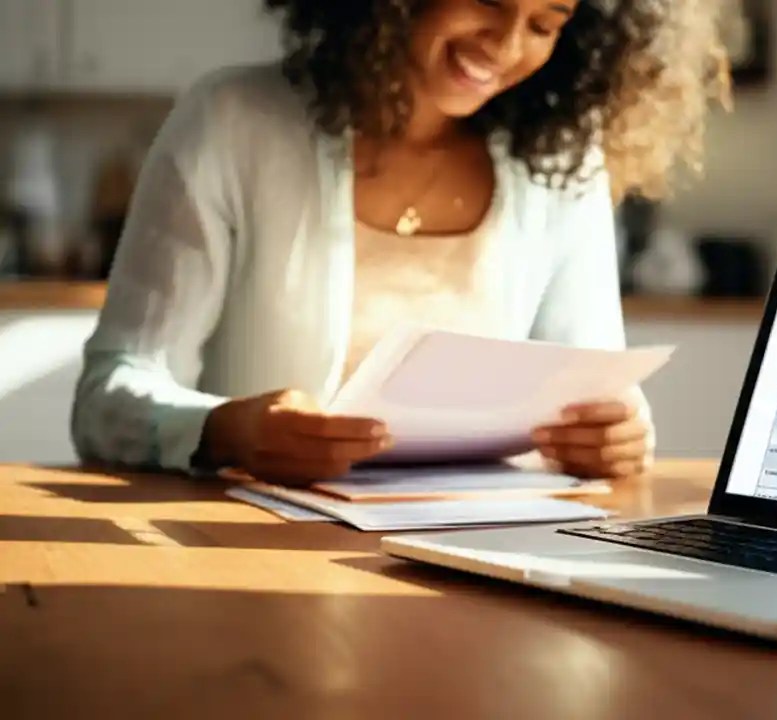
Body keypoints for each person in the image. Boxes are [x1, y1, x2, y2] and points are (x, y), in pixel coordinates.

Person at [72, 0, 728, 485]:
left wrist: (618, 434)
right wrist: (227, 431)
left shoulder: (562, 163)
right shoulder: (233, 121)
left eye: (544, 24)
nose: (505, 46)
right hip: (257, 553)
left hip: (477, 560)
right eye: (489, 2)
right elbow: (107, 395)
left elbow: (599, 389)